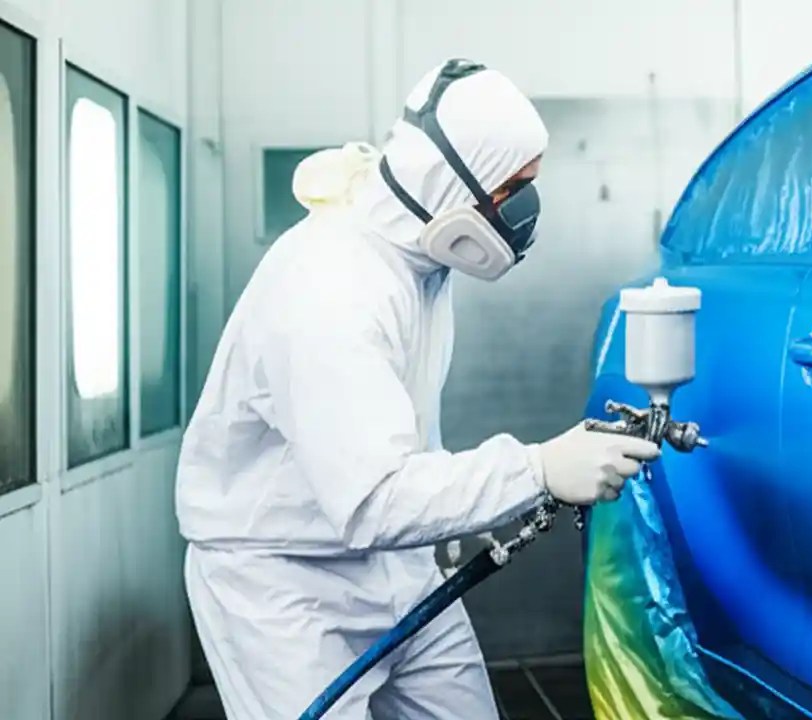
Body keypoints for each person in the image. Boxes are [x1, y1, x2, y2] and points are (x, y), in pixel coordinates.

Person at [175, 59, 660, 720]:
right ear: (452, 184)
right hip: (281, 584)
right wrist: (539, 469)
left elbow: (394, 450)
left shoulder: (418, 261)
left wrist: (454, 513)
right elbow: (372, 499)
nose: (526, 211)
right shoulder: (331, 290)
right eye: (516, 189)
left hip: (395, 564)